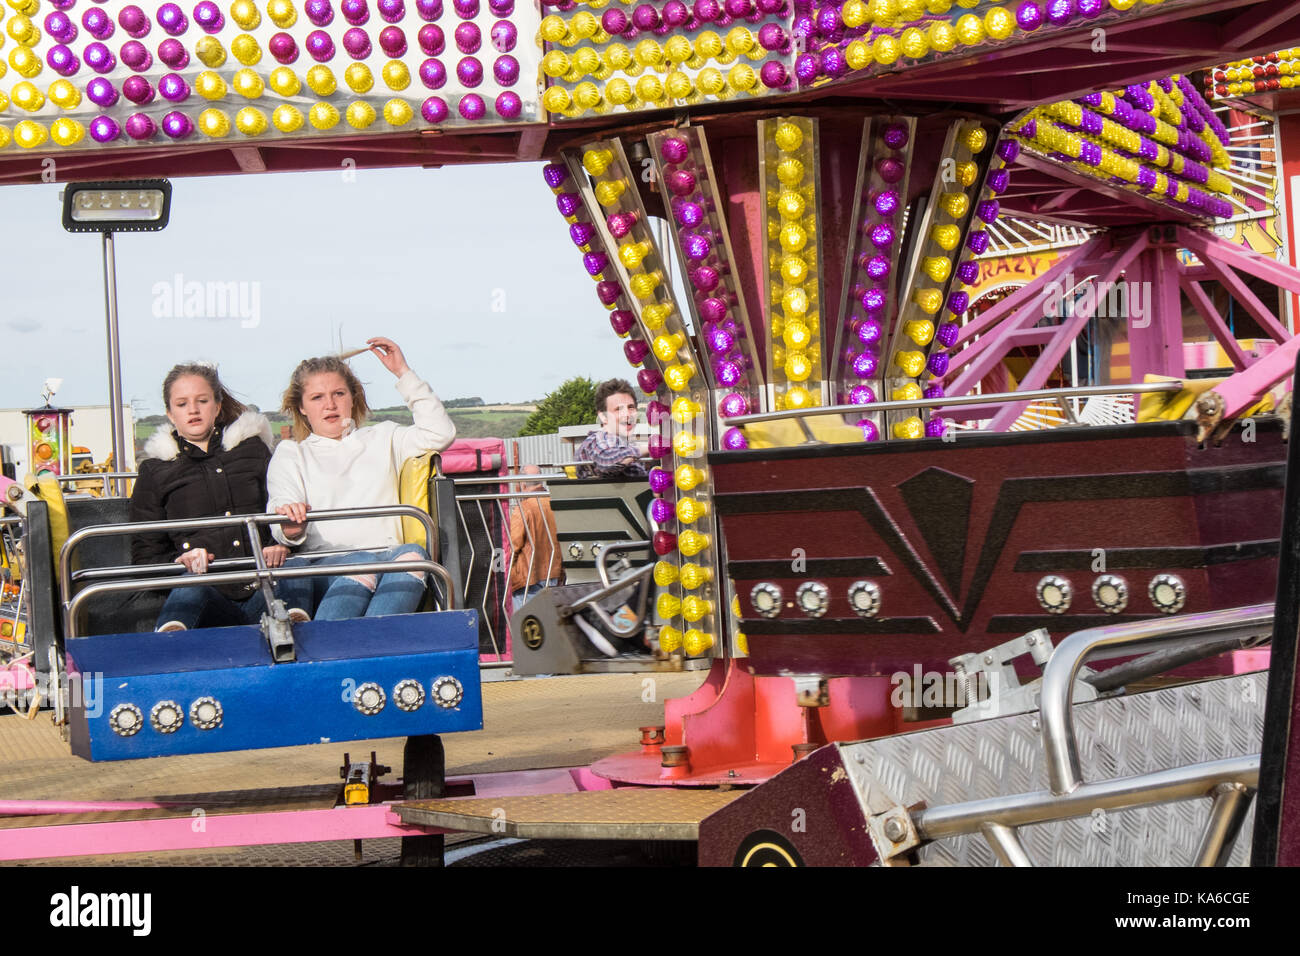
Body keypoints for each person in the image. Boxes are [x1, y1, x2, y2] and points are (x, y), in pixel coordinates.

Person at [267, 337, 456, 620]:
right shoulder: (292, 453)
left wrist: (403, 373)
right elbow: (282, 511)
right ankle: (332, 650)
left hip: (388, 555)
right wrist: (290, 525)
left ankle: (362, 649)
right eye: (317, 397)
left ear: (352, 397)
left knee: (415, 555)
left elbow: (441, 433)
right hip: (325, 565)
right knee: (363, 564)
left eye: (339, 394)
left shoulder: (383, 436)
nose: (330, 405)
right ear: (302, 407)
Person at [130, 363, 313, 631]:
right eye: (182, 404)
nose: (193, 410)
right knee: (190, 587)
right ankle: (170, 649)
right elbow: (145, 556)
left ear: (216, 406)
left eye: (202, 401)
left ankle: (299, 635)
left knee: (296, 571)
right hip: (208, 596)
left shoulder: (253, 451)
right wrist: (180, 562)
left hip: (265, 587)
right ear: (170, 413)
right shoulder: (155, 471)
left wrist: (283, 544)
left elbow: (285, 504)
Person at [509, 465, 564, 612]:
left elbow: (513, 545)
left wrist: (507, 572)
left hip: (529, 576)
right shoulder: (554, 503)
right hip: (553, 572)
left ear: (522, 483)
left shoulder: (523, 508)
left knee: (527, 624)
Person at [574, 378, 647, 479]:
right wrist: (650, 447)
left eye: (631, 407)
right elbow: (608, 459)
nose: (627, 414)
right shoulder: (598, 439)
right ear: (603, 417)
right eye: (618, 409)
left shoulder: (627, 444)